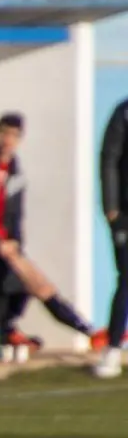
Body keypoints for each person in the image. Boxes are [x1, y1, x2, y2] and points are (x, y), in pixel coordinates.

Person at [0, 130, 95, 356]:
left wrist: (9, 243)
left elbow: (5, 222)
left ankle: (82, 328)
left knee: (27, 275)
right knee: (19, 270)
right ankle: (81, 328)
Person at [98, 97, 128, 378]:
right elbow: (110, 157)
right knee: (127, 279)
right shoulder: (124, 111)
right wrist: (111, 208)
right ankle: (112, 349)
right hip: (126, 215)